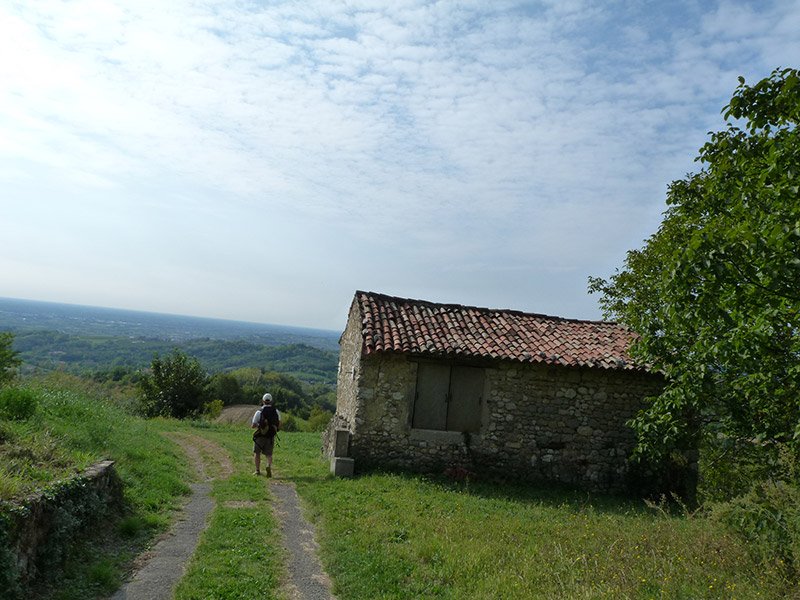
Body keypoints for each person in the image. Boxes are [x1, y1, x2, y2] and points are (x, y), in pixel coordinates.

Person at [252, 393, 281, 476]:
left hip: (260, 436)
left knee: (257, 453)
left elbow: (253, 425)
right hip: (270, 436)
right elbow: (279, 424)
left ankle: (257, 470)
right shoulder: (276, 411)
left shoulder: (259, 412)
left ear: (263, 401)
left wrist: (261, 426)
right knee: (269, 454)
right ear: (271, 401)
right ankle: (268, 465)